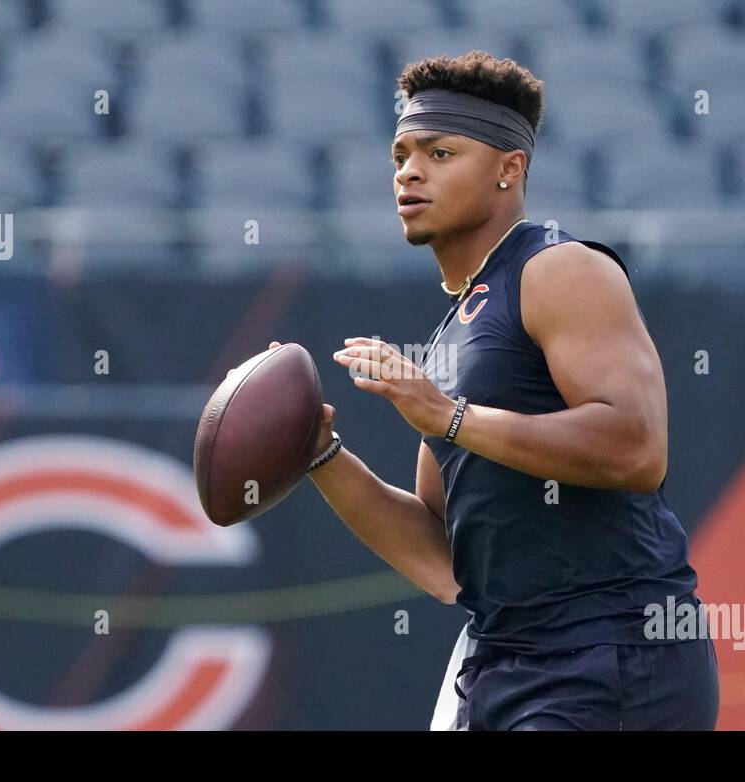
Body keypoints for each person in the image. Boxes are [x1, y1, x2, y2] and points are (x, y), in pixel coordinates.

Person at [294, 50, 718, 730]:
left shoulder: (560, 269)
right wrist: (321, 456)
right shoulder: (449, 334)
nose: (408, 170)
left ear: (508, 169)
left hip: (608, 652)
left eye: (439, 152)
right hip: (500, 661)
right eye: (400, 153)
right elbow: (445, 560)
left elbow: (637, 447)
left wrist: (447, 415)